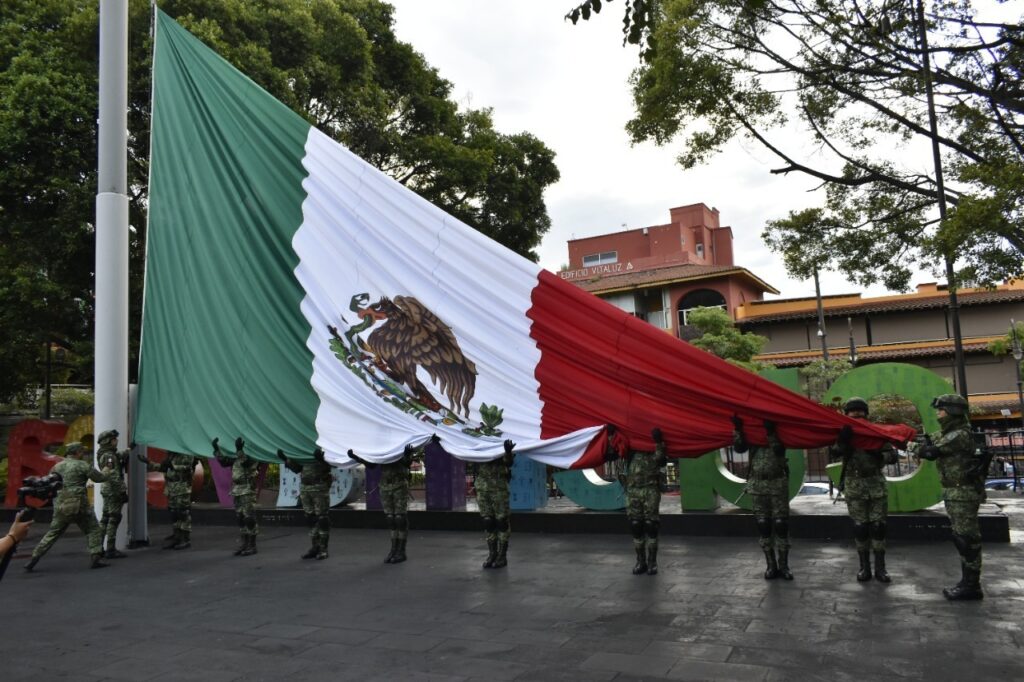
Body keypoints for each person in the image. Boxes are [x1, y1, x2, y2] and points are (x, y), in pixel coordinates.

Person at [916, 393, 985, 600]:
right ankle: (968, 582)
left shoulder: (958, 435)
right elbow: (933, 440)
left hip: (962, 492)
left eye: (941, 410)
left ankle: (971, 586)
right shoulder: (952, 432)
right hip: (956, 492)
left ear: (952, 412)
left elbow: (930, 452)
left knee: (966, 539)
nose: (938, 414)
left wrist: (910, 445)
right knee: (962, 537)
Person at [832, 398, 898, 583]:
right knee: (860, 527)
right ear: (847, 414)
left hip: (875, 483)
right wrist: (843, 441)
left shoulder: (875, 431)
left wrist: (878, 454)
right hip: (854, 484)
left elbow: (892, 455)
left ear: (866, 413)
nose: (856, 414)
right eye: (852, 411)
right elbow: (834, 453)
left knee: (878, 527)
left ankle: (880, 568)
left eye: (860, 410)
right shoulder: (844, 432)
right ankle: (864, 567)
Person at [25, 443, 110, 571]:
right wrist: (107, 469)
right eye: (81, 451)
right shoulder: (82, 465)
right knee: (93, 529)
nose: (82, 453)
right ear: (77, 452)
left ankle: (33, 558)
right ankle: (96, 557)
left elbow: (50, 483)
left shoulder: (57, 466)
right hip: (79, 505)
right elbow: (100, 478)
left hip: (61, 505)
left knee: (52, 533)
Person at [733, 417, 793, 580]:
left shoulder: (779, 430)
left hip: (777, 483)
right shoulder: (752, 431)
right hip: (758, 484)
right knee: (763, 525)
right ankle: (771, 565)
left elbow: (779, 450)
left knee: (781, 524)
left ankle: (784, 565)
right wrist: (738, 430)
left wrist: (771, 432)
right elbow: (739, 448)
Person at [606, 425, 667, 576]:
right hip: (633, 490)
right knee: (636, 525)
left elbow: (662, 461)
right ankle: (641, 561)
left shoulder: (653, 443)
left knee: (651, 525)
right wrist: (611, 436)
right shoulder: (629, 446)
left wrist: (658, 442)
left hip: (650, 489)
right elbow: (612, 454)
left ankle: (652, 562)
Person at [348, 444, 417, 563]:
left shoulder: (400, 446)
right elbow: (372, 465)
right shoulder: (383, 448)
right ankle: (393, 549)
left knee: (400, 518)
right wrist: (356, 457)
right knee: (390, 518)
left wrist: (407, 455)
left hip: (399, 485)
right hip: (385, 486)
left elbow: (407, 463)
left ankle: (401, 551)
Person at [277, 446, 333, 560]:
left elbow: (329, 467)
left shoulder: (322, 447)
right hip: (305, 488)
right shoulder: (303, 450)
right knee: (310, 518)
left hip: (319, 488)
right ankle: (315, 547)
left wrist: (321, 459)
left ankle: (323, 549)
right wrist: (285, 459)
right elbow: (298, 468)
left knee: (322, 518)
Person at [138, 450, 197, 550]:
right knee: (174, 513)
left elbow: (187, 468)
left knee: (182, 513)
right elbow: (163, 467)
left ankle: (185, 539)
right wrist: (148, 462)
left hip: (182, 488)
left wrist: (172, 465)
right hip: (171, 488)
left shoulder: (186, 454)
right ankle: (177, 537)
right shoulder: (171, 455)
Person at [213, 436, 260, 556]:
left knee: (249, 518)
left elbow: (246, 463)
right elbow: (224, 462)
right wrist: (216, 449)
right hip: (237, 490)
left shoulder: (253, 457)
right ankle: (244, 543)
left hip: (247, 490)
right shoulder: (237, 457)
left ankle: (252, 545)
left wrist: (239, 450)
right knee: (241, 518)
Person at [474, 439, 515, 569]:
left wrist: (507, 451)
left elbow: (509, 463)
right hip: (482, 487)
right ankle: (492, 554)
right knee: (488, 521)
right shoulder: (477, 440)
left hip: (499, 487)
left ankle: (502, 555)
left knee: (501, 522)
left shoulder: (501, 440)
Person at [96, 429, 132, 559]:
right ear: (108, 441)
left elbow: (118, 456)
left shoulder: (106, 454)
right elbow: (113, 475)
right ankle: (110, 549)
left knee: (105, 519)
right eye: (114, 439)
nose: (116, 441)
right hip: (113, 491)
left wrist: (129, 450)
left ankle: (98, 548)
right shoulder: (109, 456)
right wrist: (122, 491)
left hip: (107, 490)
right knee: (113, 519)